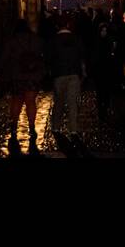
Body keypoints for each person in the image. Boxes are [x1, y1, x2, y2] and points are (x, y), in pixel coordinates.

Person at [0, 18, 46, 156]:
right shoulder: (36, 40)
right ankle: (32, 127)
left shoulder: (12, 40)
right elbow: (43, 56)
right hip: (33, 76)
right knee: (30, 101)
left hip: (17, 76)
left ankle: (14, 127)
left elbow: (4, 57)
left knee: (16, 101)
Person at [46, 13, 86, 152]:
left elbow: (49, 58)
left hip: (59, 75)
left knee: (59, 103)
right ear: (69, 25)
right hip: (74, 75)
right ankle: (73, 130)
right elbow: (82, 56)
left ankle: (56, 127)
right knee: (73, 104)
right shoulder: (76, 39)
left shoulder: (53, 40)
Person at [88, 20, 120, 121]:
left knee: (106, 93)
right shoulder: (96, 42)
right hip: (99, 71)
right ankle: (101, 111)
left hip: (107, 71)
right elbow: (93, 57)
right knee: (100, 92)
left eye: (105, 31)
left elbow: (113, 56)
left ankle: (104, 109)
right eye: (102, 31)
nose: (104, 33)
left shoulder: (109, 41)